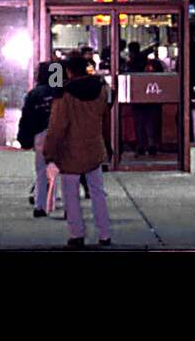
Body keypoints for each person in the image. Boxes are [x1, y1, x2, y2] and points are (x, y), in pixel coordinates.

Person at [43, 53, 113, 248]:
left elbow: (57, 127)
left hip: (70, 150)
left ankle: (77, 234)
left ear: (69, 71)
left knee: (71, 195)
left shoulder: (64, 94)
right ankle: (104, 233)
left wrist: (49, 153)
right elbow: (105, 117)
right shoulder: (101, 90)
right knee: (98, 192)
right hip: (94, 147)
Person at [18, 60, 63, 217]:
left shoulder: (34, 94)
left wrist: (24, 138)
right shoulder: (60, 92)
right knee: (63, 170)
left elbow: (27, 118)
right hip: (60, 134)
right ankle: (65, 202)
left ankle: (40, 205)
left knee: (41, 170)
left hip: (40, 134)